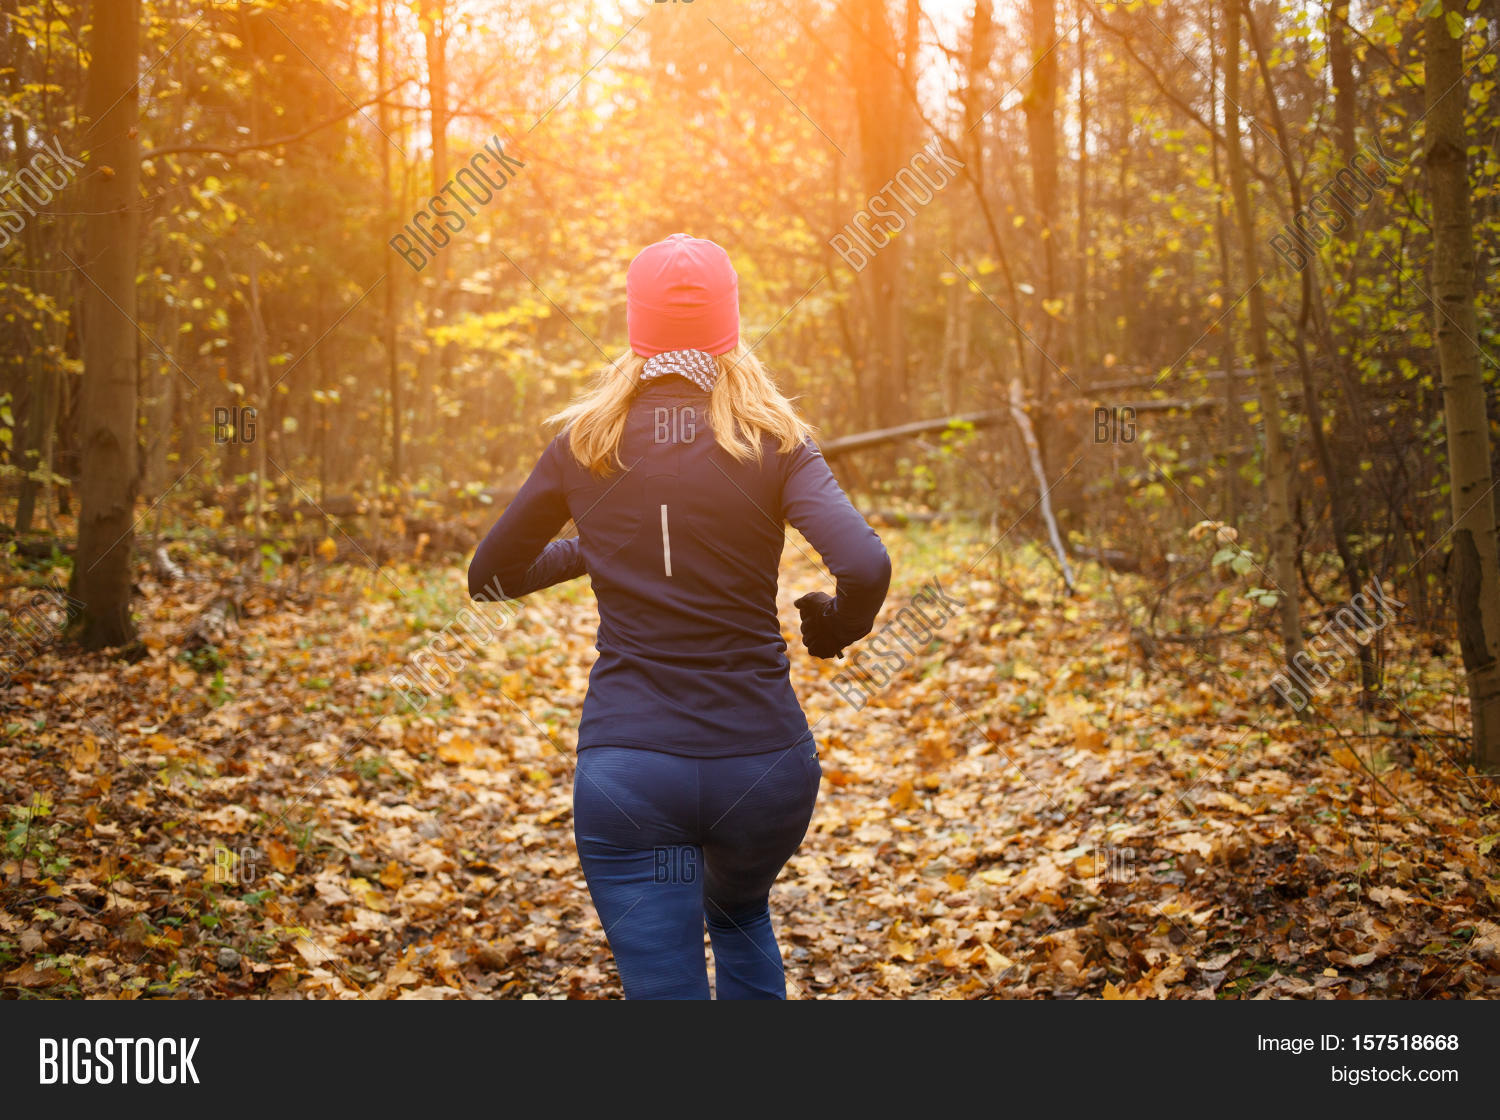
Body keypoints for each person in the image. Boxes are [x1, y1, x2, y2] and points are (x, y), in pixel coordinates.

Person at [468, 233, 891, 999]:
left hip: (631, 772)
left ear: (637, 332)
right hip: (762, 768)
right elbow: (865, 566)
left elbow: (490, 578)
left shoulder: (584, 445)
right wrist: (834, 624)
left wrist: (590, 550)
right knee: (738, 916)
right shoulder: (776, 442)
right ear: (731, 330)